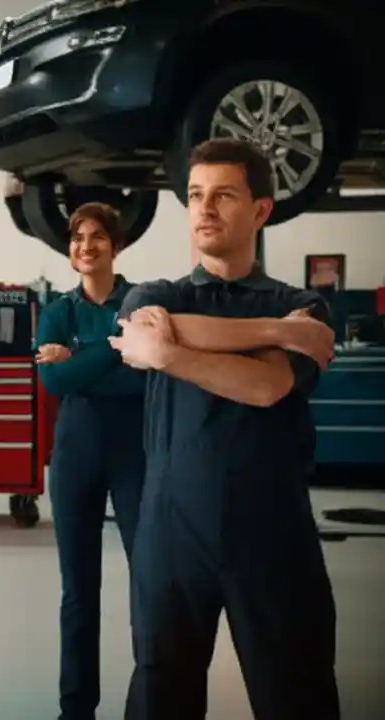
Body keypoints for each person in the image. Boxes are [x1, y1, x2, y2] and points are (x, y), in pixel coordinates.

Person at [109, 138, 339, 720]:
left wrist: (170, 351)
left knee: (297, 690)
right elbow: (140, 332)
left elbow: (265, 388)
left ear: (261, 210)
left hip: (272, 532)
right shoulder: (157, 295)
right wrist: (278, 333)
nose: (204, 209)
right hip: (170, 529)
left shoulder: (303, 300)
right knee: (162, 690)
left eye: (223, 195)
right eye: (194, 195)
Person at [33, 202, 146, 720]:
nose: (85, 246)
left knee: (150, 579)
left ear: (115, 246)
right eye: (78, 237)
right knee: (78, 589)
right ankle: (76, 706)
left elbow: (144, 373)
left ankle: (151, 699)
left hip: (134, 452)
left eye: (97, 237)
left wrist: (80, 358)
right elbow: (54, 382)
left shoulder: (140, 302)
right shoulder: (58, 310)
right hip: (75, 451)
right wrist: (114, 347)